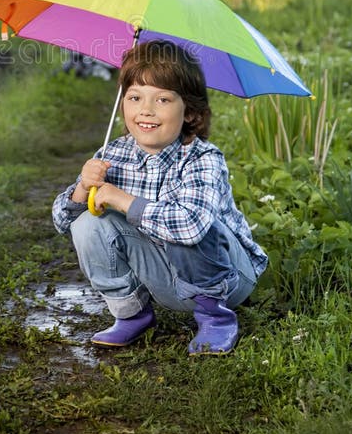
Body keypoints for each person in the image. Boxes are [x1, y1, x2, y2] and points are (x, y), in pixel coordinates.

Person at [52, 40, 267, 355]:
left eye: (163, 99)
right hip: (164, 278)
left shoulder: (201, 158)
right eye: (135, 97)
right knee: (88, 222)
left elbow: (190, 228)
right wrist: (84, 188)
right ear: (122, 101)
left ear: (190, 110)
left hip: (225, 279)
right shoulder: (113, 153)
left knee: (184, 222)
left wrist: (123, 200)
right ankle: (132, 314)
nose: (146, 110)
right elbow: (62, 221)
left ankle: (215, 318)